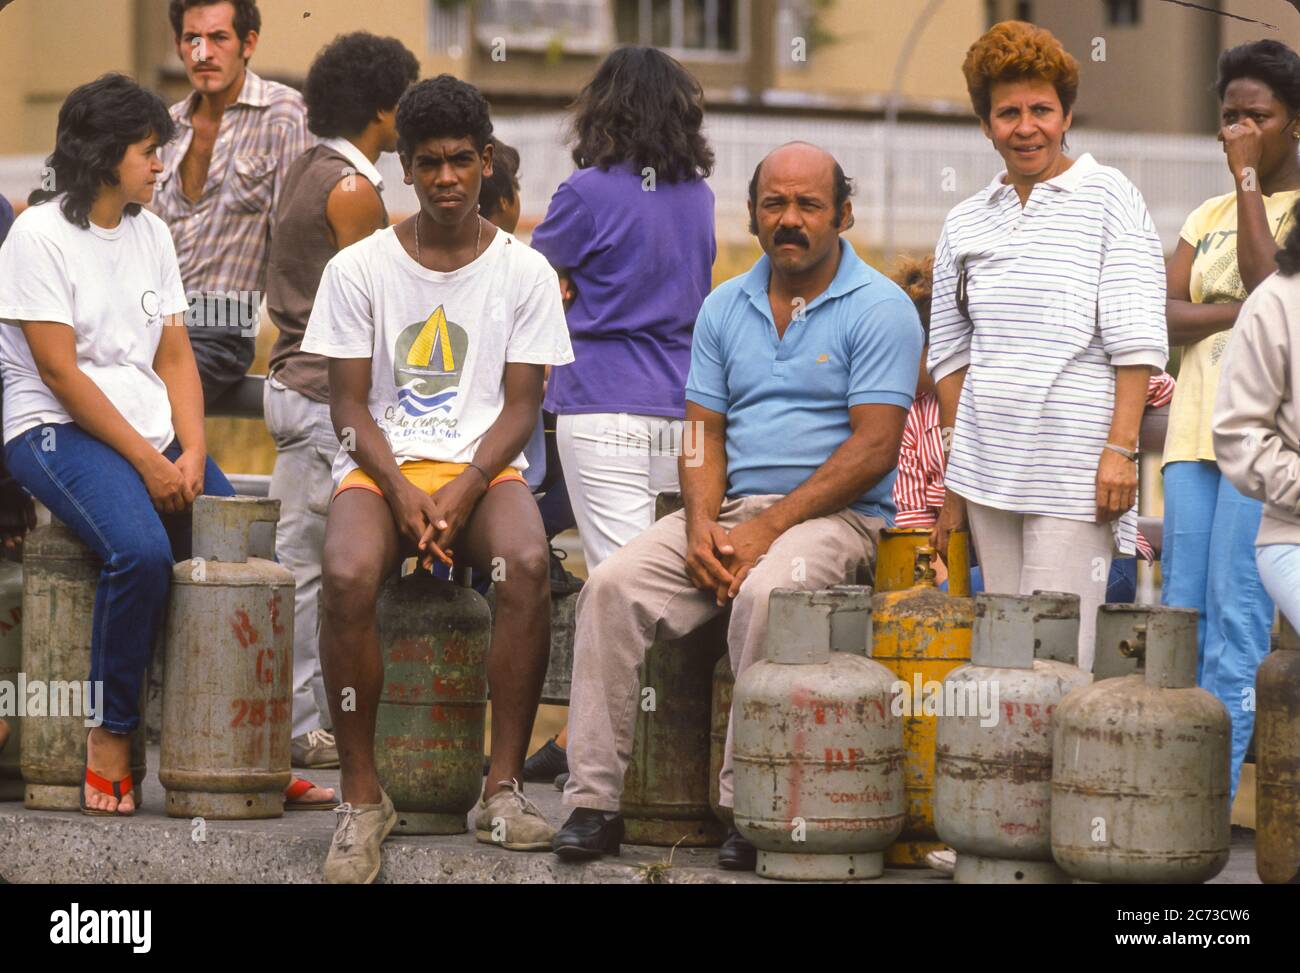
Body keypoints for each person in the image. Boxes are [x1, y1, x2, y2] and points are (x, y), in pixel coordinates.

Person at [551, 141, 923, 870]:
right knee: (611, 585)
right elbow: (701, 432)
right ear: (753, 214)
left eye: (809, 205)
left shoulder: (881, 308)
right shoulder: (725, 304)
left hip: (835, 520)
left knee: (768, 590)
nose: (790, 220)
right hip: (729, 512)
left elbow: (875, 448)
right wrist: (699, 525)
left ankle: (743, 805)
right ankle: (592, 801)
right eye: (775, 204)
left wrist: (764, 530)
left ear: (843, 213)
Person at [302, 76, 574, 884]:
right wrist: (401, 488)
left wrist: (462, 487)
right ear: (407, 172)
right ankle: (361, 797)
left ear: (487, 162)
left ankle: (503, 787)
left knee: (525, 565)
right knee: (346, 573)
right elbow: (349, 407)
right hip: (382, 463)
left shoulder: (525, 273)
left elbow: (521, 409)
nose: (448, 178)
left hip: (484, 468)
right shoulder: (360, 269)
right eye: (429, 163)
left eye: (462, 160)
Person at [0, 74, 238, 815]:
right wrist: (147, 461)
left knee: (235, 555)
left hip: (152, 430)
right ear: (105, 156)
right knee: (139, 552)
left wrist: (191, 452)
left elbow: (174, 356)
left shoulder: (151, 232)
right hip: (50, 429)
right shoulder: (38, 235)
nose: (160, 164)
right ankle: (113, 732)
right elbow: (59, 371)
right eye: (148, 151)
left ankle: (229, 751)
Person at [928, 21, 1168, 672]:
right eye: (1008, 112)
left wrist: (1120, 451)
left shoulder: (1110, 197)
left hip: (1077, 472)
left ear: (1066, 115)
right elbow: (950, 353)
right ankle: (1009, 778)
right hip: (987, 474)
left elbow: (1136, 335)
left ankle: (1059, 779)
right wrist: (959, 470)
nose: (1026, 126)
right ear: (985, 125)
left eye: (1041, 109)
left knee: (1057, 657)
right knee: (1004, 656)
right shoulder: (966, 221)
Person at [263, 31, 419, 776]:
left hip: (294, 388)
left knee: (306, 567)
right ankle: (298, 726)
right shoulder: (354, 190)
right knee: (312, 575)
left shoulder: (304, 166)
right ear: (383, 108)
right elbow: (380, 302)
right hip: (327, 398)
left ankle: (305, 718)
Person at [1165, 39, 1300, 803]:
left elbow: (1269, 284)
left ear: (1294, 123)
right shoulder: (1202, 213)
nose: (1239, 129)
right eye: (1229, 117)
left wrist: (1249, 180)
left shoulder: (1285, 209)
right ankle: (1167, 786)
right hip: (1191, 439)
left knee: (1238, 618)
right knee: (1182, 614)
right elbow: (1160, 315)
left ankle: (1203, 801)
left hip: (1262, 447)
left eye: (1259, 116)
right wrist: (1233, 314)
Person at [530, 46, 716, 571]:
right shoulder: (700, 197)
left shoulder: (586, 193)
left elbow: (531, 278)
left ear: (603, 108)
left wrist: (566, 280)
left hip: (601, 406)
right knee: (677, 575)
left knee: (620, 580)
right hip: (684, 408)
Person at [151, 0, 312, 406]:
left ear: (248, 43)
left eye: (219, 37)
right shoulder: (166, 126)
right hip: (148, 316)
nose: (204, 53)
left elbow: (293, 242)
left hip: (223, 320)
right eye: (193, 39)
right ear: (178, 45)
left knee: (147, 413)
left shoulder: (285, 113)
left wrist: (301, 352)